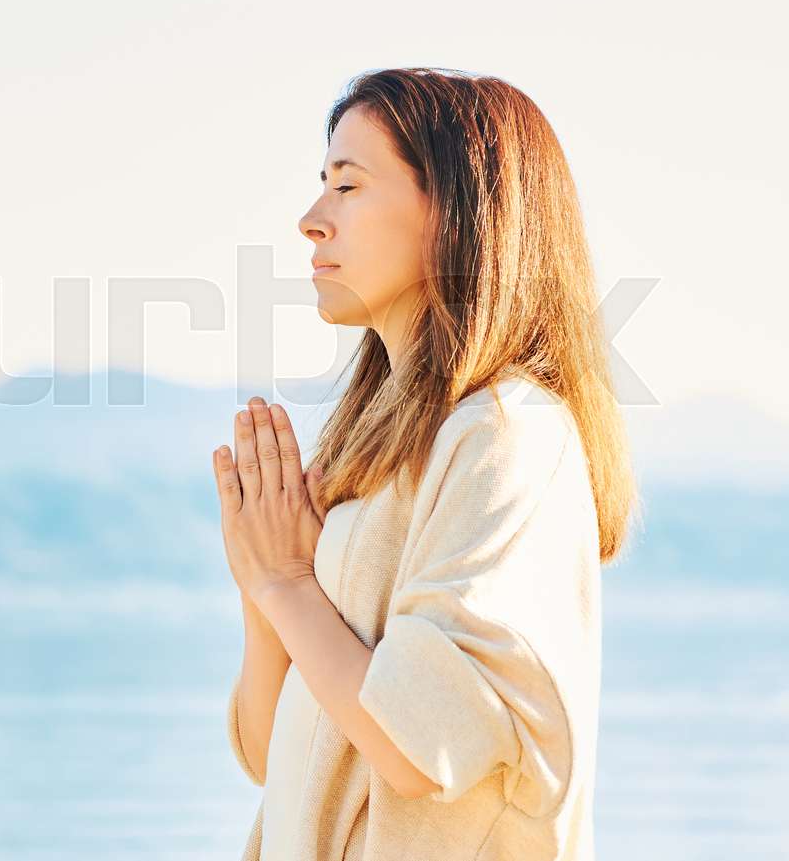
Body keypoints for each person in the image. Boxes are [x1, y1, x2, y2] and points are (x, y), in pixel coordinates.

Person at [213, 67, 641, 860]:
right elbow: (280, 758)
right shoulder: (376, 456)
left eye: (348, 185)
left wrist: (289, 584)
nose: (311, 220)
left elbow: (418, 741)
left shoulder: (509, 437)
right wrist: (262, 582)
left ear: (454, 211)